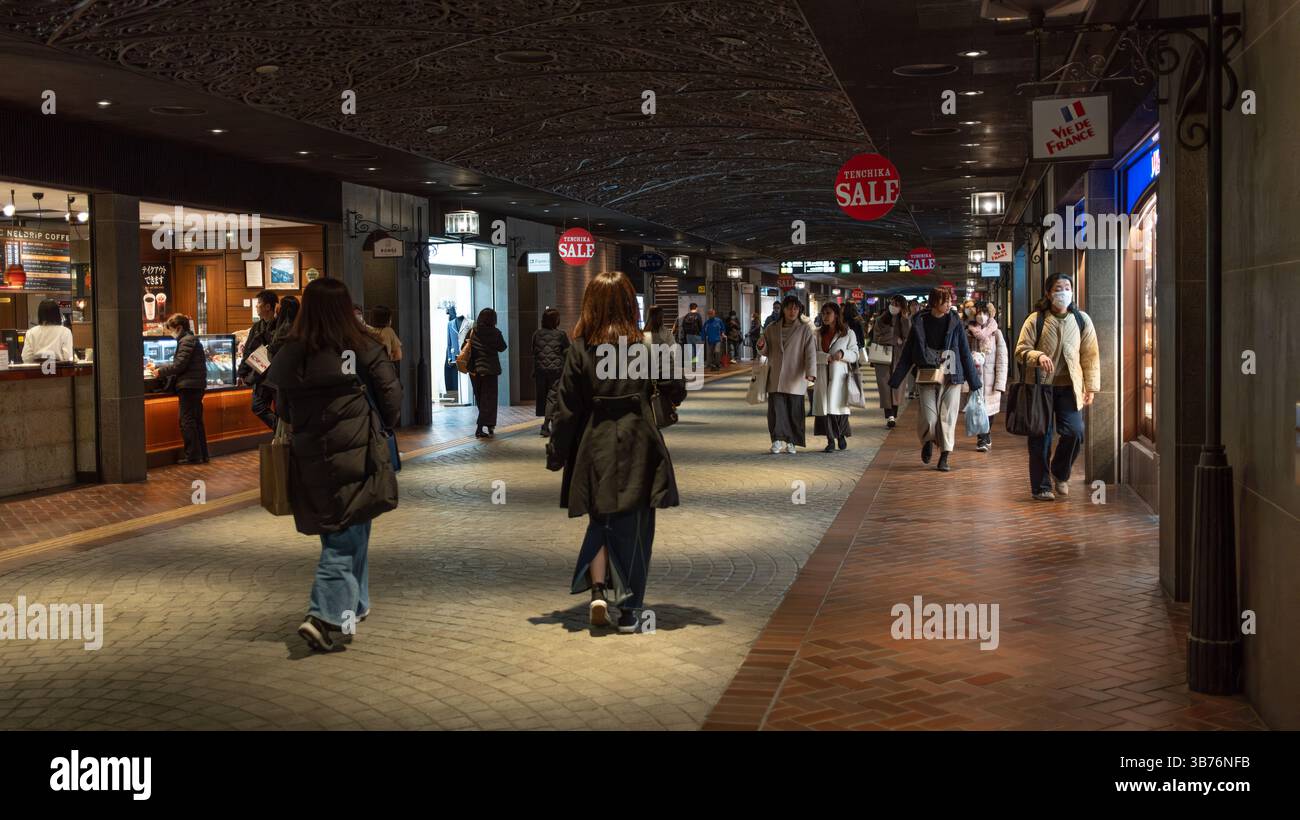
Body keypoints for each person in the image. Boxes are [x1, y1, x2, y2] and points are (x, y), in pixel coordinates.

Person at [265, 277, 401, 653]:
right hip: (357, 449)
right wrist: (385, 426)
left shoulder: (292, 352)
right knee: (344, 537)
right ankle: (321, 617)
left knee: (344, 525)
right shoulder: (361, 347)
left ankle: (353, 607)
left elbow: (284, 409)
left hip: (310, 454)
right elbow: (390, 394)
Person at [546, 271, 685, 633]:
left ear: (590, 305)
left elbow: (566, 409)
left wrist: (557, 452)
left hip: (595, 443)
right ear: (629, 305)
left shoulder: (579, 349)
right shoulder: (647, 346)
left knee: (601, 519)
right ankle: (629, 609)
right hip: (641, 442)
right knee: (637, 528)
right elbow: (677, 386)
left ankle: (597, 590)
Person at [1014, 273, 1100, 501]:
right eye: (1058, 288)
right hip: (1040, 387)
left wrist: (1090, 387)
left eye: (1067, 287)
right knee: (1040, 437)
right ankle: (1041, 487)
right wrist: (1037, 355)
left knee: (1075, 432)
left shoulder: (1081, 320)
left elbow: (1090, 355)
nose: (1063, 292)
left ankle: (1060, 472)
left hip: (1069, 388)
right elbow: (1020, 350)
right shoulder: (1036, 319)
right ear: (1048, 293)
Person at [889, 288, 981, 472]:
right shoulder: (919, 323)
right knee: (930, 417)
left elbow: (964, 352)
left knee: (947, 416)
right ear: (934, 303)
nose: (949, 304)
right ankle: (928, 441)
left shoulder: (955, 322)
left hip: (952, 374)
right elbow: (908, 352)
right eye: (944, 301)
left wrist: (974, 383)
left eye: (949, 301)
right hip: (927, 373)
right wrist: (896, 379)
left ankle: (945, 455)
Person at [756, 294, 816, 454]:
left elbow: (810, 352)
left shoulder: (804, 329)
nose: (792, 311)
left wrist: (811, 372)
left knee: (795, 411)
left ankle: (792, 441)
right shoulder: (771, 328)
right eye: (789, 308)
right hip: (775, 375)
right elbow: (766, 350)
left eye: (795, 308)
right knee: (776, 411)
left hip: (795, 376)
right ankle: (776, 440)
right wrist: (761, 346)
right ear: (783, 309)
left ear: (799, 310)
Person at [156, 313, 209, 464]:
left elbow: (180, 365)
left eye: (171, 330)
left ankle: (192, 456)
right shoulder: (191, 340)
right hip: (196, 385)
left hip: (189, 386)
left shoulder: (186, 340)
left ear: (179, 328)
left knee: (187, 421)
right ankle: (202, 455)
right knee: (196, 420)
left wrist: (160, 371)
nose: (171, 334)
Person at [811, 302, 859, 452]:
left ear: (836, 315)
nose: (825, 316)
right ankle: (830, 440)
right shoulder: (817, 334)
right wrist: (826, 357)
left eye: (828, 313)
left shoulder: (848, 333)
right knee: (825, 409)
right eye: (823, 313)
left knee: (839, 408)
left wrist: (842, 355)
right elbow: (811, 354)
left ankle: (841, 435)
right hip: (823, 374)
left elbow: (855, 354)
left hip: (840, 375)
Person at [965, 299, 1007, 452]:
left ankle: (986, 435)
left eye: (985, 313)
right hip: (975, 378)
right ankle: (982, 438)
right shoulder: (969, 333)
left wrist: (1000, 382)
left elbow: (1002, 359)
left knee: (989, 410)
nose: (981, 316)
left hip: (991, 378)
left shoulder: (997, 333)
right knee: (977, 408)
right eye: (979, 313)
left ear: (990, 314)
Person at [237, 290, 279, 430]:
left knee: (281, 411)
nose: (256, 307)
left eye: (259, 304)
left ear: (268, 306)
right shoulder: (257, 326)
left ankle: (282, 441)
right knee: (257, 406)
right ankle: (280, 429)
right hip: (260, 376)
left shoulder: (280, 326)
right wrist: (242, 372)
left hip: (275, 377)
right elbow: (248, 350)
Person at [870, 294, 911, 428]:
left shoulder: (905, 319)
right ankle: (889, 416)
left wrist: (904, 320)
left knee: (897, 386)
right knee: (885, 387)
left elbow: (907, 337)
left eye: (897, 304)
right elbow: (877, 338)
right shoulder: (881, 319)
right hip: (883, 357)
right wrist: (894, 339)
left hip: (899, 358)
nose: (894, 306)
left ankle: (894, 414)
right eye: (892, 303)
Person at [467, 307, 507, 438]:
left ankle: (489, 424)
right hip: (490, 370)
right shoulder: (495, 333)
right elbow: (502, 347)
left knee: (480, 399)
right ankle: (481, 427)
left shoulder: (473, 331)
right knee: (489, 400)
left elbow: (465, 346)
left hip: (475, 370)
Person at [532, 307, 569, 437]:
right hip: (556, 371)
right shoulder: (561, 335)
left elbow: (534, 352)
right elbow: (567, 351)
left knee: (544, 397)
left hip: (540, 371)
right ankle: (546, 425)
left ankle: (551, 424)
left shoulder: (537, 333)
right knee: (553, 397)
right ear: (556, 320)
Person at [21, 298, 74, 363]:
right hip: (58, 370)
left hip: (36, 371)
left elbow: (26, 358)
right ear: (57, 314)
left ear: (40, 314)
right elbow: (68, 357)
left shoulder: (31, 332)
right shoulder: (65, 331)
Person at [679, 302, 704, 368]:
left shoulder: (686, 316)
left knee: (691, 351)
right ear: (696, 308)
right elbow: (701, 326)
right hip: (696, 335)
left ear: (690, 308)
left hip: (688, 336)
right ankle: (698, 365)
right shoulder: (698, 315)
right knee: (698, 351)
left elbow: (683, 326)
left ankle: (693, 365)